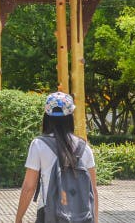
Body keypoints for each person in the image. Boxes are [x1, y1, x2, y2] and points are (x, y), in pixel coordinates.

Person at [15, 92, 99, 223]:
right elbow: (93, 190)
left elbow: (29, 187)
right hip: (82, 217)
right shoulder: (84, 147)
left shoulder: (39, 145)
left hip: (49, 214)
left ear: (46, 117)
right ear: (70, 117)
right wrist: (95, 220)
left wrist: (19, 218)